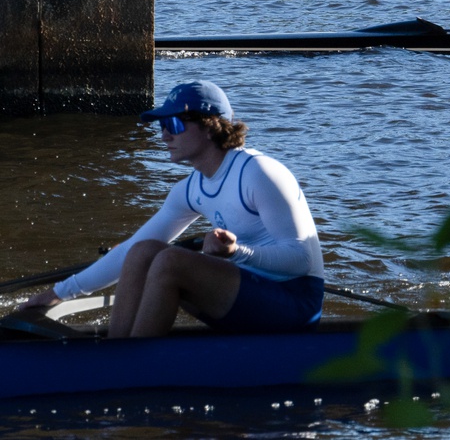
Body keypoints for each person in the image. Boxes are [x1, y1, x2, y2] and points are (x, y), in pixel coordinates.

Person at [20, 80, 325, 338]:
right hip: (245, 293)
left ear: (210, 127)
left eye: (174, 125)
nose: (164, 135)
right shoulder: (190, 189)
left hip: (294, 303)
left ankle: (133, 366)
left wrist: (236, 252)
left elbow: (301, 260)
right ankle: (117, 351)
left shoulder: (259, 173)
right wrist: (57, 294)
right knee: (143, 251)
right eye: (163, 125)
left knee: (170, 261)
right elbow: (129, 251)